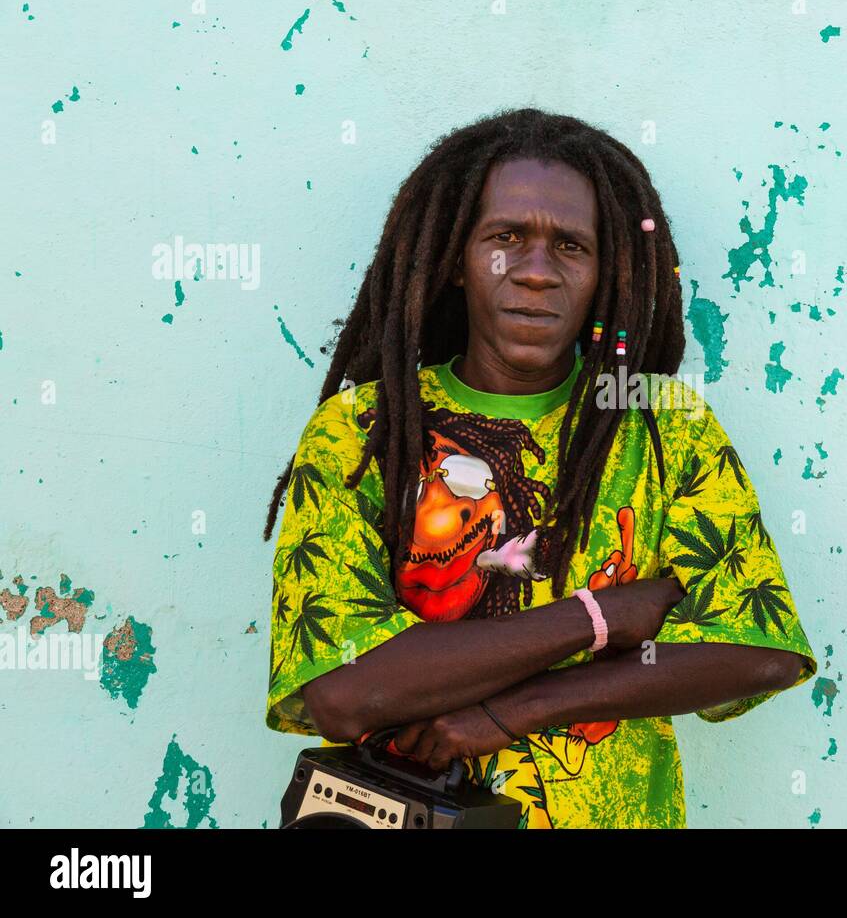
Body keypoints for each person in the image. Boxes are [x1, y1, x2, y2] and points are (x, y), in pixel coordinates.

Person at [261, 106, 818, 828]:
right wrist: (601, 617)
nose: (535, 273)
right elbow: (338, 689)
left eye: (571, 247)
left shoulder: (662, 427)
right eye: (505, 239)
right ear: (457, 262)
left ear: (604, 276)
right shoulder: (366, 429)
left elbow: (755, 650)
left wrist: (512, 711)